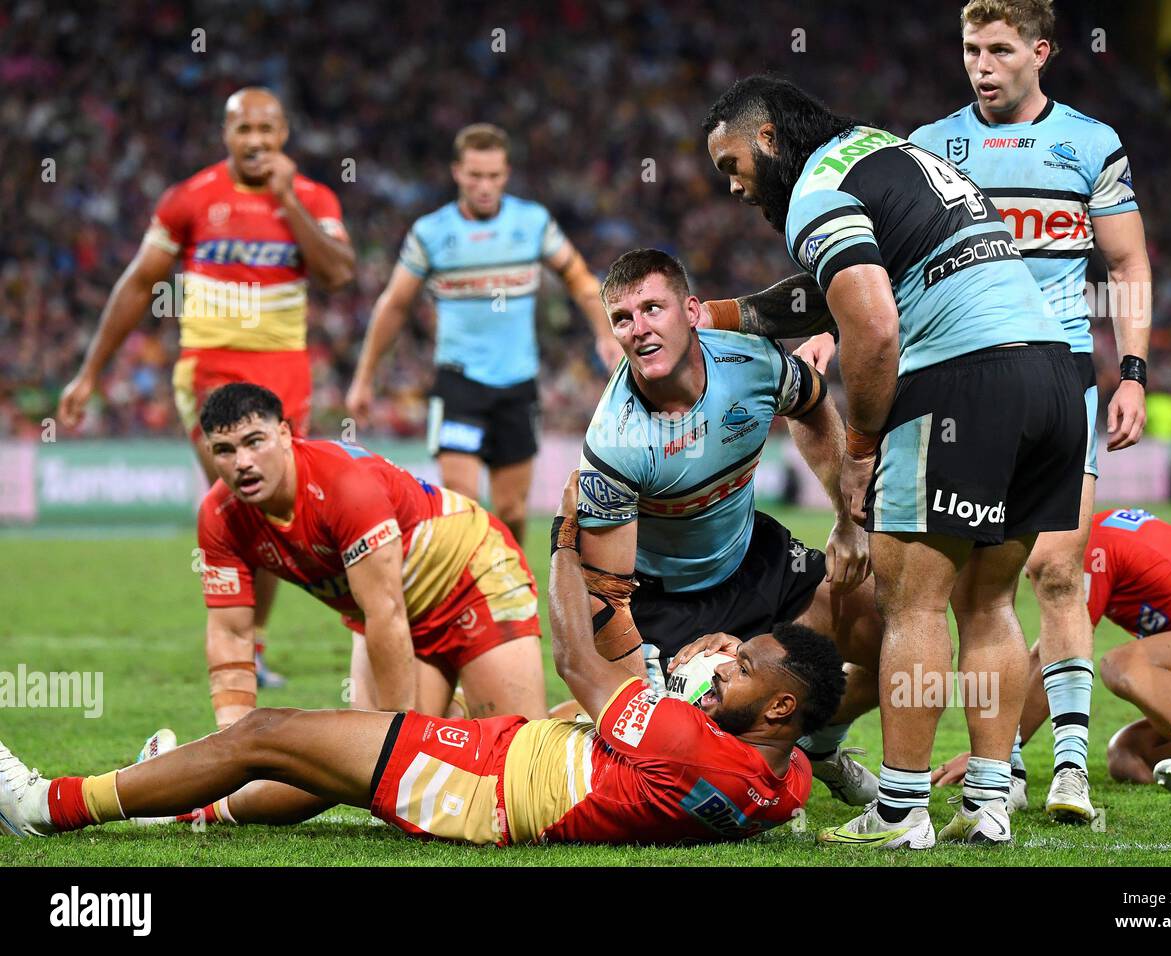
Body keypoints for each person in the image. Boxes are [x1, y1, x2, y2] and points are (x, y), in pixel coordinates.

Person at [0, 477, 847, 847]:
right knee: (329, 763)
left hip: (483, 784)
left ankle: (46, 805)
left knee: (267, 730)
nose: (726, 666)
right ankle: (181, 808)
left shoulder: (693, 744)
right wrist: (705, 676)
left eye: (740, 669)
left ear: (779, 711)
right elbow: (696, 732)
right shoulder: (781, 785)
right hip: (531, 766)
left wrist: (563, 542)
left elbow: (582, 664)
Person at [704, 75, 1084, 847]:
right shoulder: (884, 151)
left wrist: (861, 452)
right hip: (1051, 379)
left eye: (732, 163)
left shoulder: (816, 186)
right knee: (989, 604)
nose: (735, 186)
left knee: (911, 602)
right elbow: (831, 293)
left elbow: (872, 329)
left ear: (769, 137)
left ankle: (902, 808)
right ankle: (988, 800)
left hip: (961, 384)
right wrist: (715, 315)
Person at [901, 0, 1152, 823]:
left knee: (1055, 567)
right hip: (961, 382)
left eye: (1000, 49)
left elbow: (1126, 261)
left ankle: (1071, 767)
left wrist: (1134, 373)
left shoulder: (1089, 143)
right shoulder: (932, 147)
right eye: (971, 49)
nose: (981, 64)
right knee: (973, 586)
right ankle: (1000, 761)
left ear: (1039, 51)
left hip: (1059, 377)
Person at [57, 87, 357, 687]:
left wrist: (287, 201)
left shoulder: (314, 198)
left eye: (267, 130)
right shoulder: (190, 199)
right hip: (211, 370)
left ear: (285, 136)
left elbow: (339, 273)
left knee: (276, 511)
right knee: (245, 497)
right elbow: (141, 282)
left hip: (285, 374)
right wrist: (90, 373)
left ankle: (255, 646)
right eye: (244, 129)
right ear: (226, 135)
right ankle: (237, 648)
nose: (256, 141)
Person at [576, 248, 880, 805]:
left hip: (755, 559)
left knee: (891, 621)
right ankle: (568, 726)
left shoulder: (750, 361)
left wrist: (846, 519)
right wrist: (648, 692)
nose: (639, 329)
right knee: (701, 773)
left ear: (692, 310)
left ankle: (818, 745)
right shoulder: (615, 442)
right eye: (623, 318)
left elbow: (810, 404)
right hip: (665, 604)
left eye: (652, 309)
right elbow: (607, 596)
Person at [195, 382, 547, 731]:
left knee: (516, 748)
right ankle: (453, 715)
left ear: (285, 434)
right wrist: (229, 742)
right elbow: (231, 634)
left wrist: (396, 740)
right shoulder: (220, 516)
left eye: (255, 442)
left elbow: (386, 612)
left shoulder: (343, 485)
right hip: (391, 608)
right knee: (368, 778)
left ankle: (571, 722)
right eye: (225, 450)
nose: (243, 462)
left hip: (471, 576)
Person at [346, 123, 621, 545]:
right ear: (457, 172)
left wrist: (604, 334)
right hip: (459, 385)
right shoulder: (431, 233)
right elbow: (394, 304)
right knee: (462, 503)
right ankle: (468, 605)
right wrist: (364, 378)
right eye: (475, 175)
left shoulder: (531, 223)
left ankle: (506, 592)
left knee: (510, 511)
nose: (484, 185)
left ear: (506, 173)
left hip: (517, 386)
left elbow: (581, 281)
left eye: (493, 176)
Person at [932, 508, 1171, 798]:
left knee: (1125, 662)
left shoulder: (1088, 546)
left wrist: (992, 755)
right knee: (1128, 753)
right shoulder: (1101, 536)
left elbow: (1057, 662)